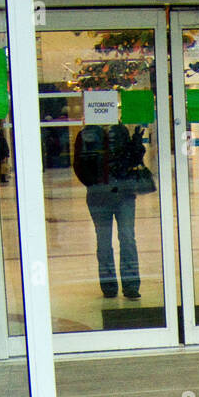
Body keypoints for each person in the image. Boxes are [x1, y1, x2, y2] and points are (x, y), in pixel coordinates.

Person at [73, 121, 146, 300]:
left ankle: (130, 285)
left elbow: (134, 160)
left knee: (127, 237)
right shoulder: (86, 135)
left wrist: (137, 144)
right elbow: (79, 165)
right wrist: (95, 184)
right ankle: (109, 286)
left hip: (123, 194)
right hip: (99, 196)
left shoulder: (120, 131)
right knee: (104, 242)